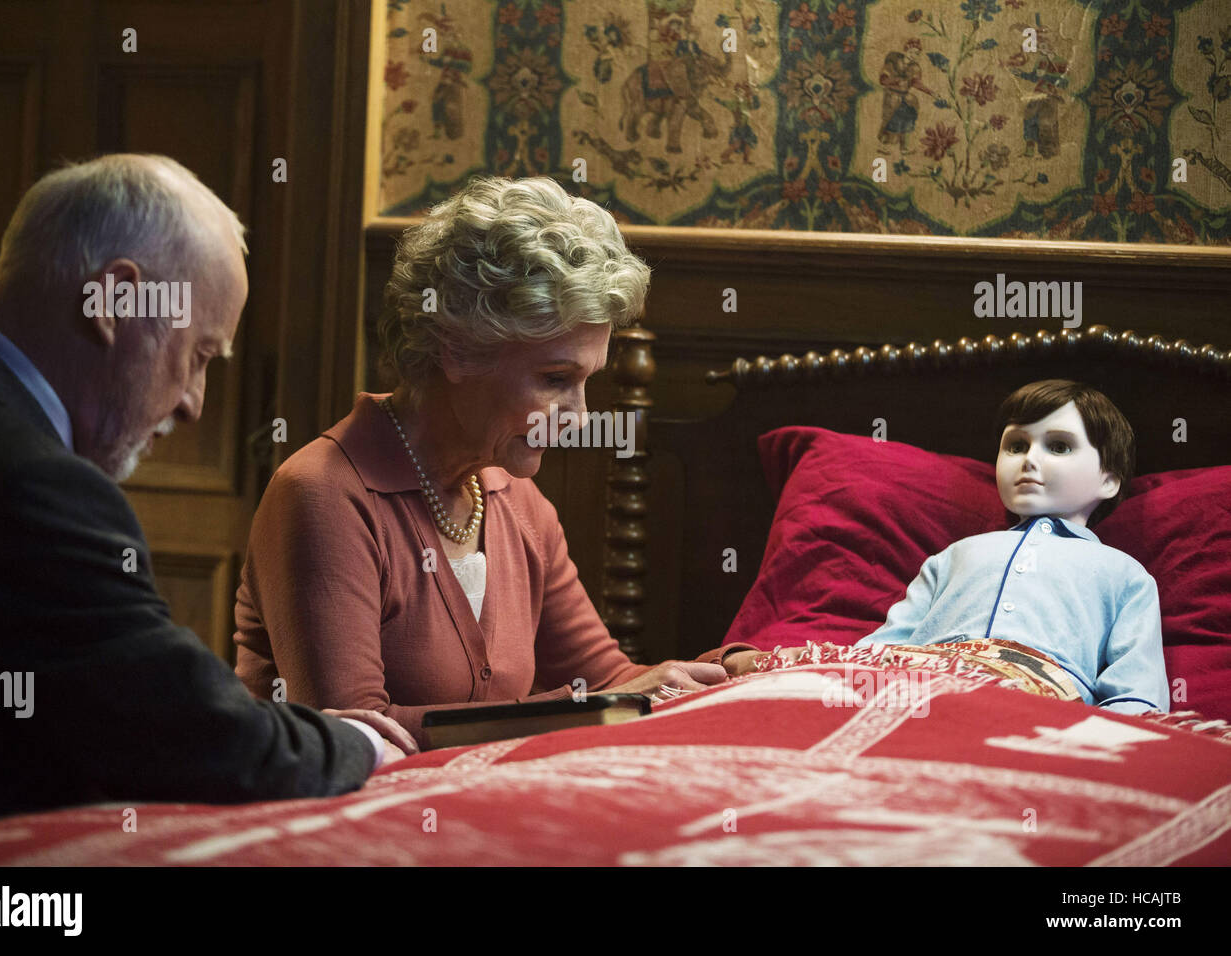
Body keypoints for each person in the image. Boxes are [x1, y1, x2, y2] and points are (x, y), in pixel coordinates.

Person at [0, 154, 414, 831]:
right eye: (199, 357)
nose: (193, 405)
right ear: (116, 301)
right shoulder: (31, 487)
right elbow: (199, 739)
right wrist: (360, 742)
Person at [233, 175, 753, 747]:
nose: (578, 418)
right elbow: (356, 735)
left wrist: (730, 670)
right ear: (457, 348)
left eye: (586, 382)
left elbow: (612, 679)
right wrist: (591, 706)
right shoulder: (324, 495)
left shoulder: (515, 498)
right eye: (556, 379)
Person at [726, 380, 1169, 714]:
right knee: (776, 679)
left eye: (1058, 446)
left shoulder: (1123, 573)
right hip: (919, 680)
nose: (1029, 459)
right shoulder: (955, 555)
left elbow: (1138, 692)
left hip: (1037, 695)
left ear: (1109, 480)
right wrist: (833, 676)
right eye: (1015, 445)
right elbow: (884, 647)